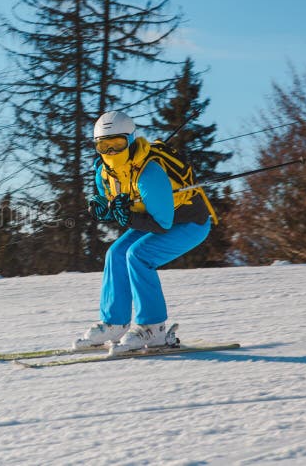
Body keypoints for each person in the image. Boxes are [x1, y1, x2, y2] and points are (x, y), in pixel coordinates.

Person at [74, 111, 215, 354]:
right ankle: (114, 323)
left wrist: (126, 216)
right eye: (103, 145)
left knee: (139, 256)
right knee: (116, 253)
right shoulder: (104, 173)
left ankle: (153, 328)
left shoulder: (149, 173)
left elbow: (162, 224)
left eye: (116, 144)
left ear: (129, 141)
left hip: (189, 223)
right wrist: (106, 210)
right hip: (155, 219)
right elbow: (118, 205)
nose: (110, 152)